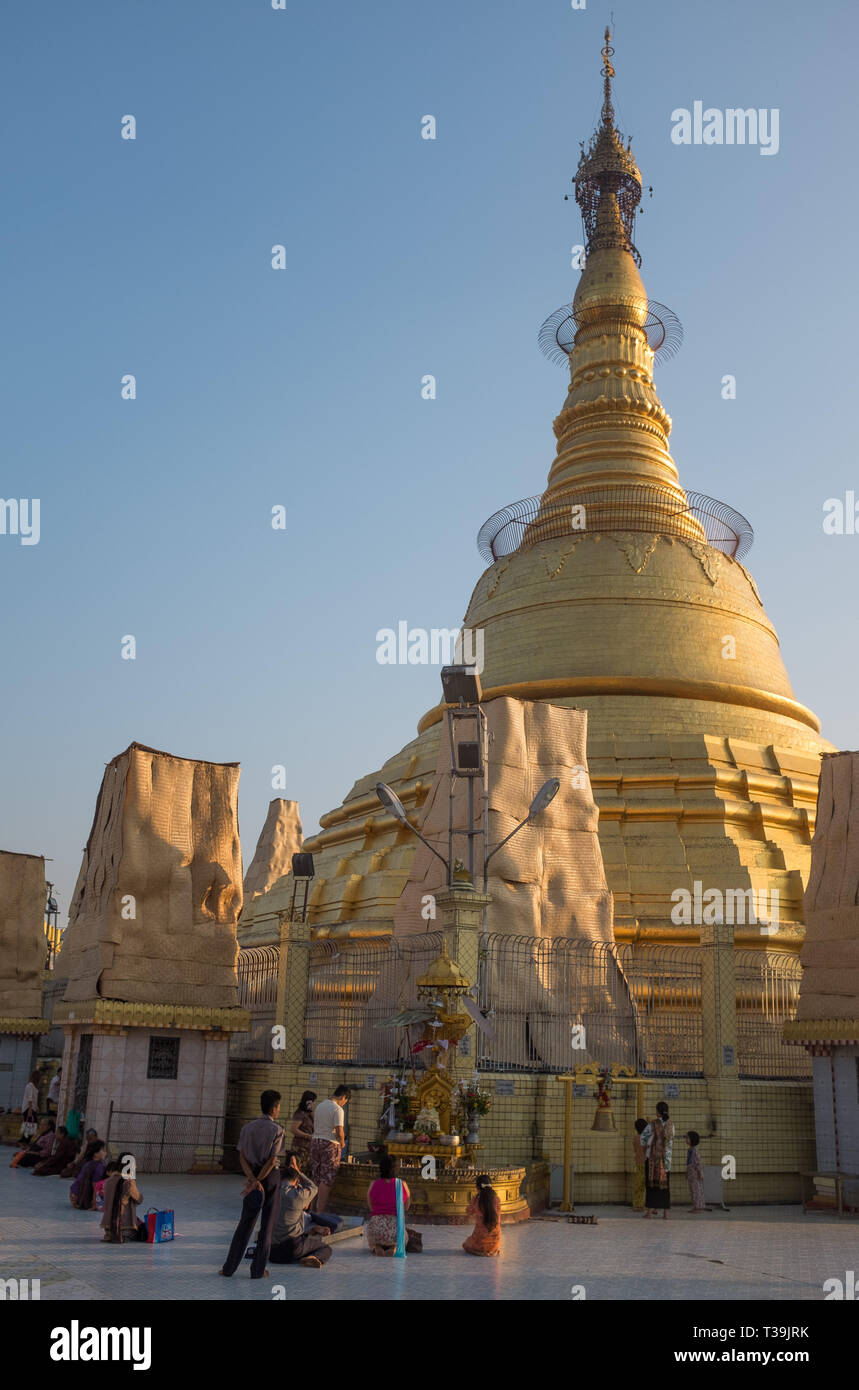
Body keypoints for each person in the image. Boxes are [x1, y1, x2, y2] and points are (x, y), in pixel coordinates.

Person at [220, 1089, 285, 1280]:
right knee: (267, 1225)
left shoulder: (247, 1128)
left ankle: (229, 1268)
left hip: (251, 1175)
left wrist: (252, 1179)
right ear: (274, 1108)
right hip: (270, 1178)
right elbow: (273, 1160)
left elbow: (241, 1156)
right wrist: (261, 1180)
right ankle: (257, 1270)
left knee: (245, 1223)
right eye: (278, 1106)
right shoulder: (278, 1130)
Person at [269, 1152, 332, 1268]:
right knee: (325, 1248)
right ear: (297, 1181)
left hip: (272, 1252)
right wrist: (299, 1172)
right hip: (292, 1249)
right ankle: (314, 1258)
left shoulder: (272, 1192)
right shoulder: (298, 1195)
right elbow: (313, 1187)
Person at [310, 1085, 351, 1215]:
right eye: (345, 1101)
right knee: (326, 1179)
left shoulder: (320, 1105)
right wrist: (343, 1142)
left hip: (315, 1141)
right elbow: (339, 1130)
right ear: (343, 1097)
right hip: (329, 1144)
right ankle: (320, 1212)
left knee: (316, 1176)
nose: (344, 1103)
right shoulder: (337, 1109)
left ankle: (311, 1209)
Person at [365, 1154, 410, 1256]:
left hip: (376, 1228)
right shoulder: (402, 1184)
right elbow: (406, 1207)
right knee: (404, 1237)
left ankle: (376, 1247)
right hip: (394, 1229)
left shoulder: (374, 1184)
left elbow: (371, 1206)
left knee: (372, 1235)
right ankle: (393, 1247)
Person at [642, 1101, 675, 1219]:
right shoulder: (671, 1125)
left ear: (657, 1112)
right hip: (666, 1161)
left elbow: (643, 1139)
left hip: (652, 1160)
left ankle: (650, 1212)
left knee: (651, 1185)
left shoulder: (652, 1124)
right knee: (665, 1186)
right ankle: (666, 1213)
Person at [101, 1155, 145, 1243]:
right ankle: (124, 1236)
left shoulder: (108, 1181)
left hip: (108, 1226)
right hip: (124, 1227)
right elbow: (139, 1199)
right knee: (144, 1231)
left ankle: (110, 1235)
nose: (135, 1167)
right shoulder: (128, 1181)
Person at [463, 1174, 501, 1256]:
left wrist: (472, 1202)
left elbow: (468, 1212)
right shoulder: (497, 1199)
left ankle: (482, 1252)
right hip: (495, 1244)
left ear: (477, 1188)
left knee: (466, 1245)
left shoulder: (477, 1200)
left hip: (479, 1244)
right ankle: (491, 1251)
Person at [70, 1140, 107, 1209]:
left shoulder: (87, 1163)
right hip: (81, 1197)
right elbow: (95, 1185)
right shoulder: (99, 1166)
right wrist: (95, 1204)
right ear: (96, 1154)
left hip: (73, 1194)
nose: (105, 1153)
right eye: (103, 1150)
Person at [289, 1090, 316, 1171]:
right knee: (298, 1170)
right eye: (312, 1102)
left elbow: (316, 1124)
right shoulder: (300, 1113)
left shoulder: (310, 1114)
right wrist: (307, 1136)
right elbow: (294, 1129)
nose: (314, 1104)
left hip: (309, 1148)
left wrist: (313, 1111)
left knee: (307, 1171)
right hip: (300, 1147)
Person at [685, 1131, 710, 1213]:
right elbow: (689, 1163)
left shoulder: (695, 1150)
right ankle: (696, 1206)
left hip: (696, 1174)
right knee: (693, 1191)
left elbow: (698, 1162)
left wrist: (699, 1173)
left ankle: (699, 1207)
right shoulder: (690, 1150)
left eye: (687, 1138)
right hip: (691, 1174)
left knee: (697, 1191)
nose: (686, 1139)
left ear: (693, 1139)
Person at [632, 1117, 648, 1211]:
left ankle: (636, 1204)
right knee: (645, 1185)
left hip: (638, 1163)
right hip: (646, 1163)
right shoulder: (646, 1138)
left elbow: (635, 1149)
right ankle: (642, 1204)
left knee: (638, 1184)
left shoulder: (635, 1138)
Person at [20, 1072, 39, 1141]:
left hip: (31, 1108)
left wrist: (36, 1106)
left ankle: (24, 1141)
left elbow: (34, 1098)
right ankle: (24, 1141)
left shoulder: (33, 1086)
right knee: (30, 1125)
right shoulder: (30, 1086)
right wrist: (30, 1109)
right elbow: (30, 1098)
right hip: (28, 1108)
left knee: (30, 1126)